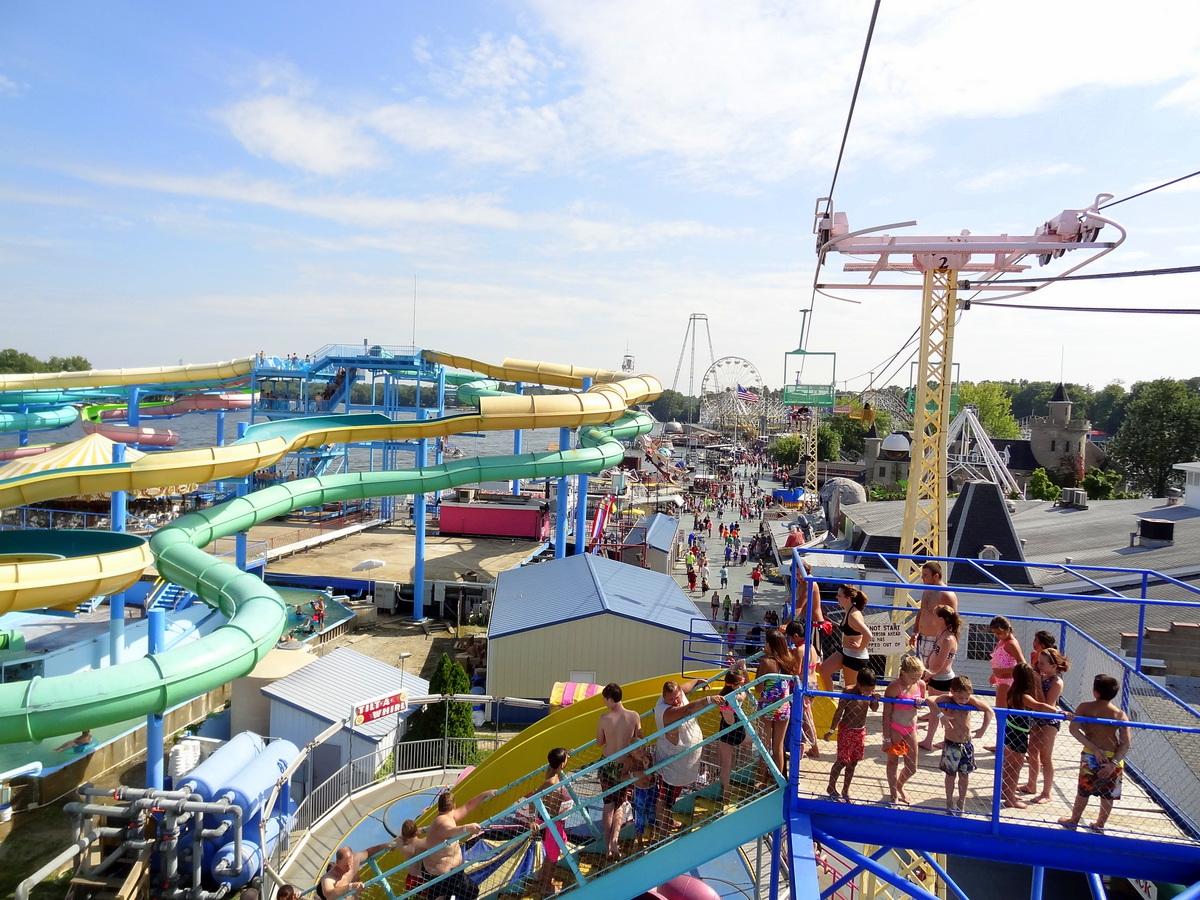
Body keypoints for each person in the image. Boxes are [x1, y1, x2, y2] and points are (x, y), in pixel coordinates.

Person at [1060, 674, 1131, 831]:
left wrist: (1094, 748)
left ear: (1095, 692)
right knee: (1108, 795)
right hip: (1113, 759)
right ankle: (1100, 824)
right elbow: (1126, 743)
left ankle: (1074, 820)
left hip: (1091, 756)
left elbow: (1074, 730)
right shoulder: (1120, 715)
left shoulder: (1085, 707)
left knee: (1083, 791)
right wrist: (1112, 764)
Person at [654, 678, 720, 835]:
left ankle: (670, 821)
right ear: (664, 698)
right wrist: (708, 700)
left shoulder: (678, 695)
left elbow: (684, 689)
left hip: (682, 763)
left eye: (677, 697)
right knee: (665, 798)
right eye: (671, 699)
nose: (676, 701)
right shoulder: (664, 710)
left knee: (673, 796)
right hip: (671, 763)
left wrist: (697, 681)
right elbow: (687, 710)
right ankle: (663, 832)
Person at [927, 676, 994, 814]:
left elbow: (989, 711)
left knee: (964, 776)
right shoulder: (948, 699)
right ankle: (949, 800)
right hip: (951, 744)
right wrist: (941, 716)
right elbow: (929, 700)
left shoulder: (970, 701)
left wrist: (982, 729)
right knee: (950, 775)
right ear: (952, 691)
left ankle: (961, 801)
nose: (963, 701)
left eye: (966, 697)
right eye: (960, 697)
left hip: (966, 744)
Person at [1000, 663, 1058, 810]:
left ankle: (1004, 791)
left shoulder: (1012, 691)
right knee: (1016, 766)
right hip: (1018, 734)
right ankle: (1010, 798)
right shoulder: (1024, 696)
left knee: (1009, 764)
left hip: (1010, 731)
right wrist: (1058, 712)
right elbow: (1040, 706)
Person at [422, 788, 498, 900]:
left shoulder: (447, 816)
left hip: (445, 873)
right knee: (471, 892)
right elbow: (450, 831)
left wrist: (484, 794)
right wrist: (467, 828)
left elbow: (468, 806)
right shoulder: (442, 822)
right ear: (454, 806)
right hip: (443, 875)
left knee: (448, 895)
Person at [595, 683, 641, 859]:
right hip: (625, 766)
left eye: (605, 700)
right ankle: (615, 842)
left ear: (609, 699)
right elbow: (640, 740)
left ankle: (608, 847)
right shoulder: (634, 716)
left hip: (607, 763)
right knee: (620, 803)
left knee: (608, 805)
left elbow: (600, 742)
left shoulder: (604, 718)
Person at [1021, 648, 1070, 804]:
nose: (1039, 665)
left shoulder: (1056, 682)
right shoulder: (1040, 677)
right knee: (1032, 751)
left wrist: (1037, 684)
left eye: (1042, 663)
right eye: (1038, 662)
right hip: (1036, 718)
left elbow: (1046, 704)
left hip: (1049, 720)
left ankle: (1047, 792)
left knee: (1045, 756)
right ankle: (1031, 784)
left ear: (1053, 666)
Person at [824, 669, 880, 801]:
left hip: (860, 731)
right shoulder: (848, 692)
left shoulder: (869, 694)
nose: (869, 692)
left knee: (853, 762)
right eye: (867, 690)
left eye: (872, 689)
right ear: (859, 685)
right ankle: (831, 787)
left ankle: (845, 790)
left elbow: (874, 708)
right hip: (847, 730)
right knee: (842, 761)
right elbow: (839, 712)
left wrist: (875, 699)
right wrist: (831, 730)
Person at [755, 629, 800, 785]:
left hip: (767, 707)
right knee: (778, 747)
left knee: (764, 747)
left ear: (769, 644)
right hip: (783, 707)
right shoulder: (789, 661)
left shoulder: (766, 662)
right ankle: (778, 781)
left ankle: (760, 780)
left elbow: (758, 689)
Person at [883, 655, 926, 805]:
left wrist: (920, 704)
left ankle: (899, 786)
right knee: (892, 763)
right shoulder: (894, 686)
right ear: (904, 673)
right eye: (914, 678)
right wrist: (886, 737)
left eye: (919, 677)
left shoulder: (920, 685)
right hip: (895, 728)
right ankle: (893, 794)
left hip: (911, 728)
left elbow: (921, 705)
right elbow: (886, 714)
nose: (917, 680)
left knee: (912, 767)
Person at [529, 748, 573, 893]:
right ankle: (546, 886)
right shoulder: (551, 782)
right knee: (553, 857)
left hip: (551, 822)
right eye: (565, 759)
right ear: (561, 763)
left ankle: (541, 875)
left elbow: (553, 763)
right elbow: (532, 799)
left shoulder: (552, 772)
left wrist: (565, 753)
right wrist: (531, 820)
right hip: (550, 823)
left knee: (551, 853)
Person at [918, 605, 960, 751]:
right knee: (935, 711)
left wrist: (928, 675)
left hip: (943, 679)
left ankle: (949, 740)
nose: (932, 618)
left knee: (946, 713)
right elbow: (933, 655)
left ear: (941, 619)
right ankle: (928, 740)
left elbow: (941, 663)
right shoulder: (940, 633)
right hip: (935, 677)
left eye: (935, 616)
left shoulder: (948, 638)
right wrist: (927, 668)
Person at [817, 585, 872, 690]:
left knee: (850, 689)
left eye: (839, 595)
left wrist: (860, 647)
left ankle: (854, 705)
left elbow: (868, 634)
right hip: (845, 651)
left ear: (848, 598)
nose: (836, 597)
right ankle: (829, 699)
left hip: (855, 657)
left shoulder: (853, 615)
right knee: (822, 670)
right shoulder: (848, 611)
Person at [986, 615, 1025, 751]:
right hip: (1002, 680)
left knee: (1002, 713)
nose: (997, 636)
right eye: (995, 633)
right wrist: (995, 674)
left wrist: (1001, 672)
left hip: (1007, 682)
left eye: (999, 633)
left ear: (1008, 629)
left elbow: (1022, 665)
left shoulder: (1011, 643)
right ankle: (1002, 743)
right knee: (1001, 714)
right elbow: (1001, 661)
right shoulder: (1003, 642)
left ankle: (1004, 744)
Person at [909, 561, 958, 664]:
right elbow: (922, 611)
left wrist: (945, 643)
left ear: (936, 576)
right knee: (920, 671)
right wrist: (915, 632)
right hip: (922, 638)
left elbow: (954, 621)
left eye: (925, 575)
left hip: (936, 640)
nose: (922, 577)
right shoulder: (927, 590)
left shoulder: (947, 595)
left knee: (932, 671)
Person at [318, 838, 397, 900]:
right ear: (337, 863)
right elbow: (329, 894)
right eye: (345, 866)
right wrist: (350, 886)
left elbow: (368, 852)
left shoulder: (355, 859)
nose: (349, 868)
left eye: (350, 864)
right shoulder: (329, 878)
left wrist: (384, 846)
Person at [715, 668, 749, 801]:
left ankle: (726, 792)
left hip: (724, 730)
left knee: (726, 764)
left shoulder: (722, 695)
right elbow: (745, 691)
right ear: (736, 684)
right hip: (737, 730)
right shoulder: (737, 696)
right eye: (741, 682)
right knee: (761, 741)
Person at [624, 743, 657, 850]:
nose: (642, 752)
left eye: (643, 748)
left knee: (652, 813)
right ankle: (639, 841)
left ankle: (652, 837)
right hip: (639, 791)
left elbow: (651, 778)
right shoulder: (630, 761)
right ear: (632, 753)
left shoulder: (648, 757)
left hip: (651, 789)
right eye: (638, 750)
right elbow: (622, 777)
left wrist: (647, 767)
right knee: (639, 817)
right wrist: (633, 775)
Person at [394, 821, 427, 892]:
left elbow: (399, 838)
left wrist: (404, 835)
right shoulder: (424, 842)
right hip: (424, 876)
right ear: (416, 831)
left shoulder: (404, 848)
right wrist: (422, 830)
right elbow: (432, 829)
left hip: (411, 878)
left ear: (403, 834)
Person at [795, 560, 827, 631]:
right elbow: (795, 597)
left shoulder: (809, 582)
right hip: (807, 621)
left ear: (806, 571)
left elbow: (799, 606)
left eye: (801, 573)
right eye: (797, 574)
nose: (800, 576)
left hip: (815, 623)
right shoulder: (802, 584)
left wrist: (787, 622)